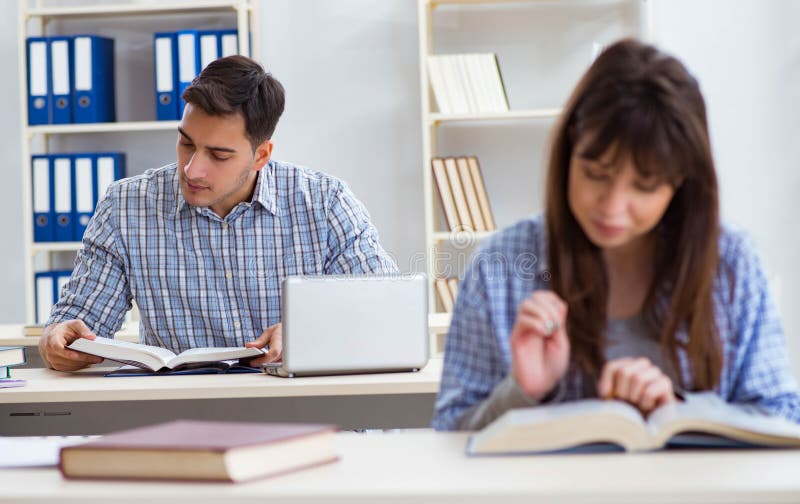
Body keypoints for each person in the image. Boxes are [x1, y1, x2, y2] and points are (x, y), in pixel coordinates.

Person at [432, 38, 800, 431]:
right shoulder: (499, 267)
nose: (611, 206)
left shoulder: (731, 264)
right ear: (571, 148)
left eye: (644, 186)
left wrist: (679, 411)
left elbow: (784, 419)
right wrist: (522, 392)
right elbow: (450, 435)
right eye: (596, 174)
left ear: (680, 184)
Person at [39, 55, 397, 372]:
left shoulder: (325, 202)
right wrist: (59, 340)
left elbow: (387, 313)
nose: (193, 169)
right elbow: (76, 324)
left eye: (219, 156)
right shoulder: (126, 206)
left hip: (306, 416)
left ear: (261, 155)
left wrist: (313, 331)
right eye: (186, 143)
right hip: (187, 426)